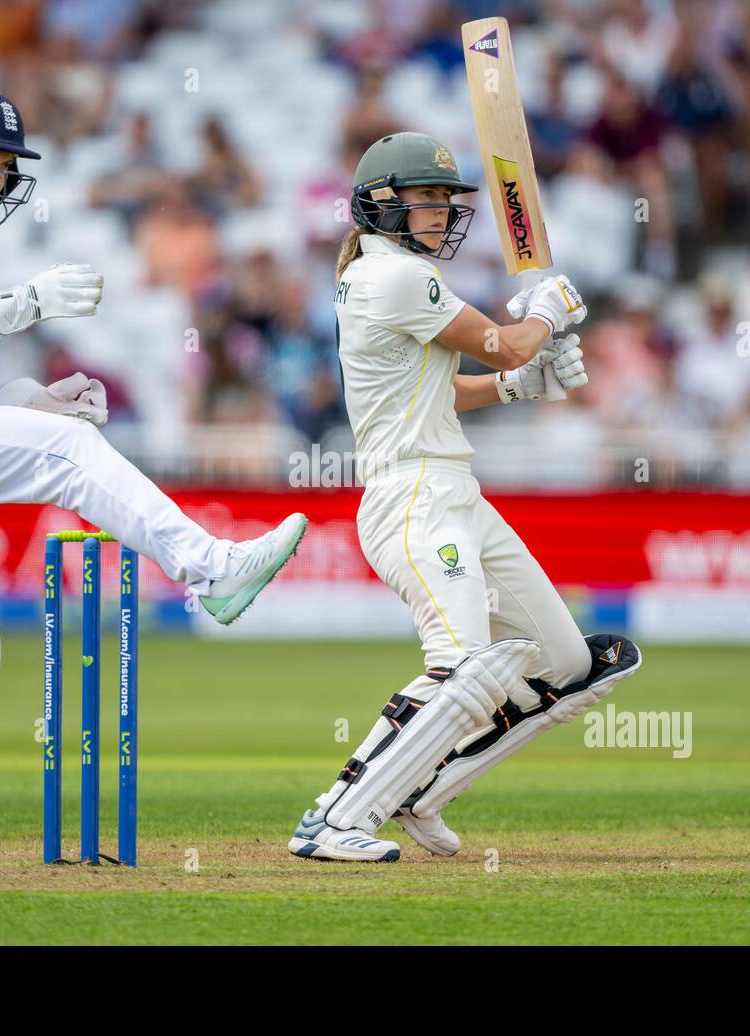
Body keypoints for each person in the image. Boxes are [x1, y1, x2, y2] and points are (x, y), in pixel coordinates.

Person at [0, 87, 306, 874]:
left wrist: (41, 402)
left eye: (8, 167)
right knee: (66, 462)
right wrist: (20, 307)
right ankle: (212, 569)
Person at [287, 132, 642, 863]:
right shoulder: (392, 277)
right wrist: (547, 312)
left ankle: (422, 790)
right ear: (380, 205)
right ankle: (336, 817)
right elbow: (507, 343)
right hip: (413, 494)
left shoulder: (397, 279)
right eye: (427, 201)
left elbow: (442, 390)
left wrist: (523, 384)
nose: (443, 215)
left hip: (452, 488)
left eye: (449, 202)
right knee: (466, 664)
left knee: (571, 667)